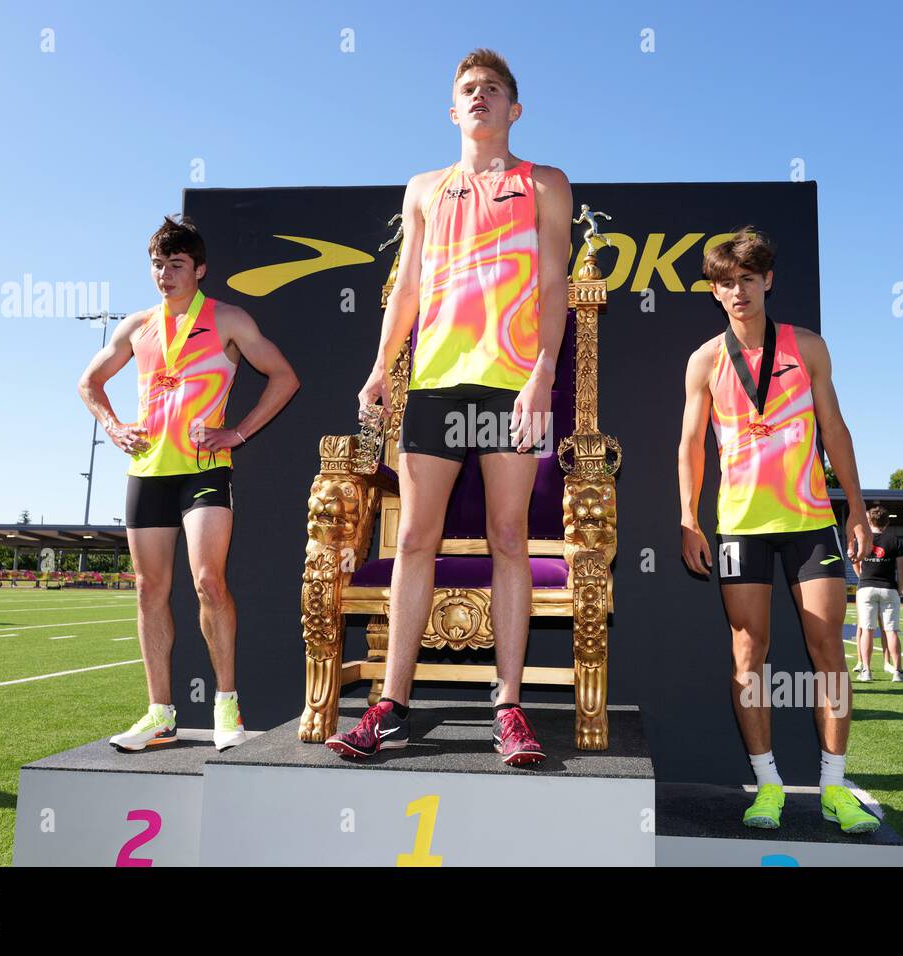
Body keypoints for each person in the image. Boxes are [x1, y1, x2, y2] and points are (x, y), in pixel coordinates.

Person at [325, 48, 573, 766]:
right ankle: (389, 708)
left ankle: (510, 707)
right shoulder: (425, 188)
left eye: (493, 89)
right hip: (434, 384)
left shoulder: (545, 183)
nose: (480, 97)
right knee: (411, 541)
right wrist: (380, 368)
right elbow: (406, 289)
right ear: (452, 108)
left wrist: (544, 374)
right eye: (468, 89)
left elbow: (554, 286)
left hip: (512, 381)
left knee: (507, 537)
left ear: (513, 109)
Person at [678, 228, 881, 834]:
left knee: (829, 655)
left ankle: (834, 786)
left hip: (811, 522)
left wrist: (858, 508)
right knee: (749, 654)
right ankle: (766, 784)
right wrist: (688, 516)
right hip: (740, 525)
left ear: (766, 281)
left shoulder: (809, 347)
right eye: (724, 283)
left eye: (746, 278)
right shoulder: (705, 360)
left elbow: (835, 429)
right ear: (714, 292)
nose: (736, 291)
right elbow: (690, 443)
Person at [78, 215, 300, 752]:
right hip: (148, 470)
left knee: (207, 583)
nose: (164, 274)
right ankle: (159, 713)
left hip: (204, 469)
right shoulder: (135, 326)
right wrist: (113, 428)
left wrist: (236, 432)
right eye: (157, 265)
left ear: (199, 268)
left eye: (175, 265)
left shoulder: (228, 319)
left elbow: (286, 376)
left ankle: (227, 704)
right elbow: (89, 383)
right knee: (149, 589)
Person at [853, 505, 903, 682]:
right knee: (891, 631)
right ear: (887, 522)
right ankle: (898, 672)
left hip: (866, 588)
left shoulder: (862, 538)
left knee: (867, 630)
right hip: (888, 588)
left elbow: (855, 560)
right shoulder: (894, 540)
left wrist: (863, 577)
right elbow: (902, 571)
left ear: (869, 520)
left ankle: (867, 671)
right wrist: (899, 590)